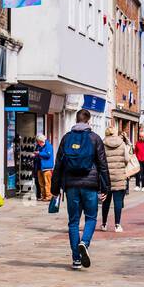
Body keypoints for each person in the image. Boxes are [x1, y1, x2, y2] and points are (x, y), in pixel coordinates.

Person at [53, 109, 110, 269]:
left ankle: (76, 259)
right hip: (90, 186)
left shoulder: (66, 138)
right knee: (91, 218)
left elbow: (58, 165)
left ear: (76, 120)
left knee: (73, 221)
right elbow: (102, 165)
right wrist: (106, 187)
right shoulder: (95, 138)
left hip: (71, 186)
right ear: (88, 121)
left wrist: (55, 188)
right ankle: (84, 242)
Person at [101, 126, 136, 231]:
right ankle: (117, 225)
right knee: (118, 202)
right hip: (119, 176)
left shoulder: (102, 144)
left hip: (106, 177)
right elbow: (126, 159)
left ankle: (104, 224)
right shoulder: (121, 143)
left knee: (106, 202)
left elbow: (100, 159)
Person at [35, 133, 54, 202]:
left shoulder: (48, 146)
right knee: (41, 183)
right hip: (40, 167)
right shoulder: (39, 146)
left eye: (39, 142)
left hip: (47, 167)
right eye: (38, 142)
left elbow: (48, 155)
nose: (38, 143)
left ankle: (49, 196)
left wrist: (39, 153)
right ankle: (43, 196)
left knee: (47, 183)